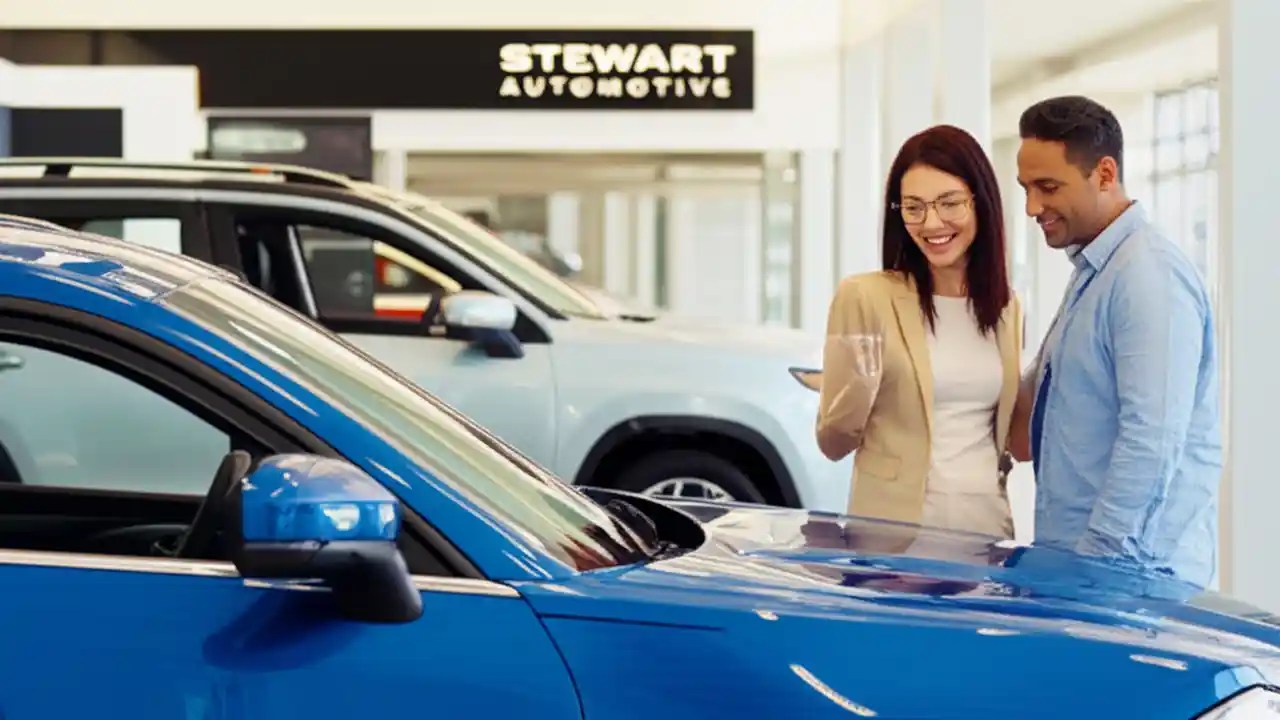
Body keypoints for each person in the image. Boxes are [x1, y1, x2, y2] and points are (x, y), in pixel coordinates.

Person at [1010, 95, 1222, 588]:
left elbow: (1151, 441)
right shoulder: (1095, 271)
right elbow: (1038, 407)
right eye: (1026, 189)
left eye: (1047, 187)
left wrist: (1095, 572)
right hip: (1085, 572)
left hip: (1126, 583)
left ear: (1104, 174)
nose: (1032, 207)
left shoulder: (1148, 276)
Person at [816, 124, 1024, 539]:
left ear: (981, 201)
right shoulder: (864, 297)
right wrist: (858, 385)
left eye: (949, 203)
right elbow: (832, 443)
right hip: (892, 538)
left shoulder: (1006, 307)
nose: (931, 223)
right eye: (913, 208)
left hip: (985, 531)